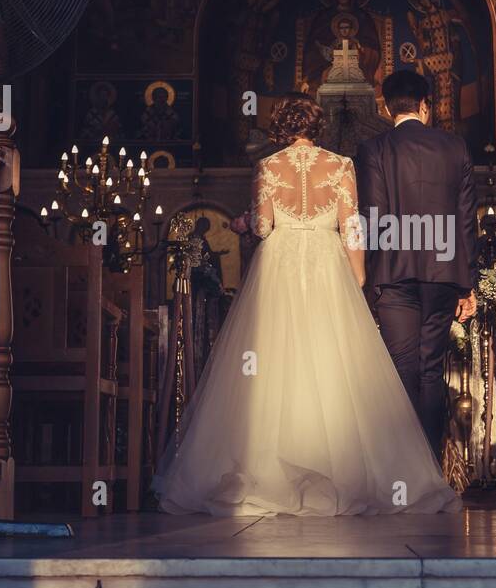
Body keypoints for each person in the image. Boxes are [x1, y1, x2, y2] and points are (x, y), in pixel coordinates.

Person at [151, 94, 459, 517]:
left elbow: (262, 225)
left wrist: (244, 222)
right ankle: (355, 474)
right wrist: (358, 278)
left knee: (272, 361)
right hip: (327, 264)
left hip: (279, 265)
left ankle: (267, 470)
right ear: (317, 127)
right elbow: (352, 227)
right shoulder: (341, 165)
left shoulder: (268, 166)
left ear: (281, 128)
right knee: (332, 360)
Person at [356, 70, 478, 460]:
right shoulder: (455, 146)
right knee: (430, 370)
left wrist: (370, 277)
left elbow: (372, 215)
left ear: (386, 107)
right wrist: (467, 283)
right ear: (426, 105)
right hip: (443, 273)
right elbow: (465, 219)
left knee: (401, 370)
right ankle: (429, 468)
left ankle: (403, 472)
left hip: (393, 273)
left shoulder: (374, 148)